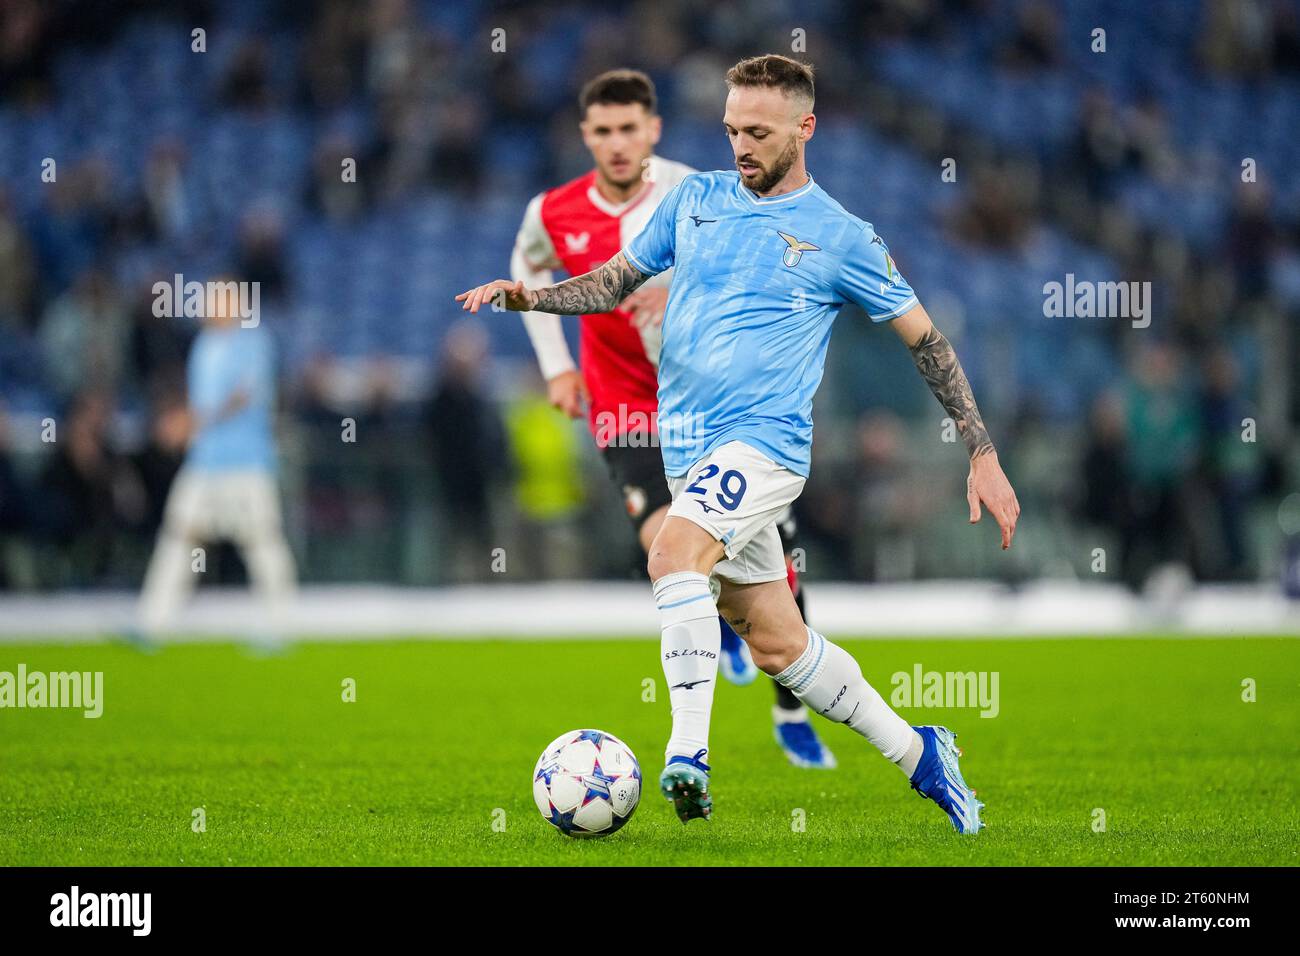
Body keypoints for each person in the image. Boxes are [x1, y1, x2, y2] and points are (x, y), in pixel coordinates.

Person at [457, 55, 1020, 834]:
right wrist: (534, 295)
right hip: (685, 449)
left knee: (670, 555)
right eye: (730, 131)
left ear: (804, 127)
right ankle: (923, 753)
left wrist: (981, 453)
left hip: (764, 448)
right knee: (776, 641)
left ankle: (689, 756)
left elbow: (927, 341)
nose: (741, 146)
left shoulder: (843, 236)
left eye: (757, 132)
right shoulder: (695, 199)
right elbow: (616, 281)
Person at [510, 67, 834, 767]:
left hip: (717, 403)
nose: (618, 144)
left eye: (631, 129)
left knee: (775, 566)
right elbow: (528, 267)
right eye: (604, 131)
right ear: (586, 136)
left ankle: (788, 698)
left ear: (652, 130)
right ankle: (712, 652)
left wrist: (683, 289)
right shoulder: (553, 211)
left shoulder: (694, 189)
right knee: (667, 543)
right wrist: (557, 366)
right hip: (624, 399)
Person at [136, 278, 296, 643]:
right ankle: (151, 625)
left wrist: (191, 423)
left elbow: (243, 397)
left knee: (261, 539)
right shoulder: (203, 344)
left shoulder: (254, 342)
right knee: (179, 535)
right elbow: (201, 402)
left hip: (246, 461)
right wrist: (183, 425)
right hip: (205, 460)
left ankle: (280, 626)